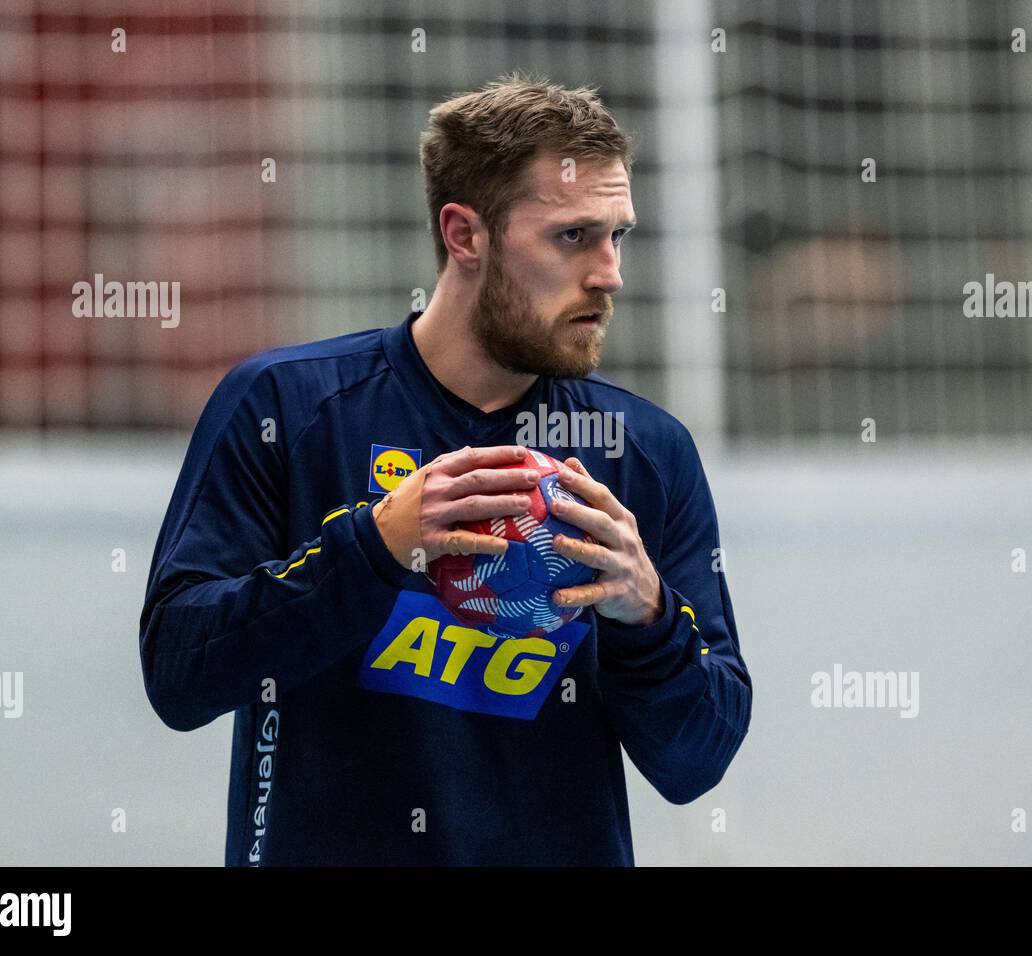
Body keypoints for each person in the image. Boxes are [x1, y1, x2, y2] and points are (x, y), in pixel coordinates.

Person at [139, 72, 752, 865]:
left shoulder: (642, 454)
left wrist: (649, 614)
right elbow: (178, 676)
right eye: (572, 236)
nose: (609, 274)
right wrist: (372, 547)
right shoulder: (286, 408)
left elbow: (696, 763)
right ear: (465, 235)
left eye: (617, 236)